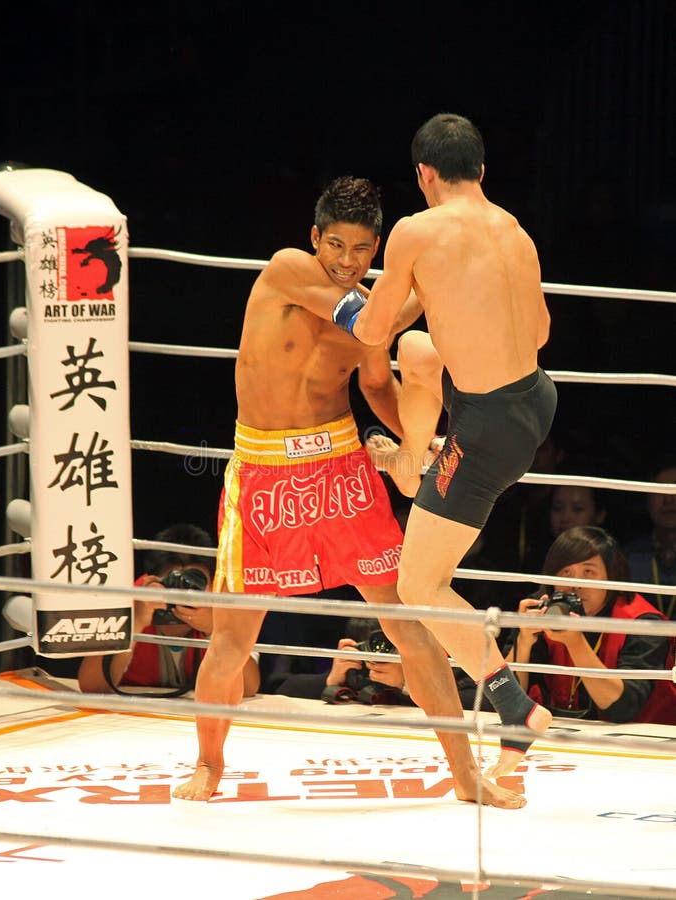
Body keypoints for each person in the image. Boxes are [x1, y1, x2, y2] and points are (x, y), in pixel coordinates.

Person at [172, 175, 524, 808]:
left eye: (362, 250)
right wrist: (428, 290)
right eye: (335, 245)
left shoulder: (370, 301)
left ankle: (467, 775)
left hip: (340, 469)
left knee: (409, 626)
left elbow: (377, 386)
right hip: (264, 475)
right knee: (231, 640)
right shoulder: (287, 272)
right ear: (314, 238)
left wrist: (427, 439)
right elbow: (367, 323)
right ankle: (209, 765)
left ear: (376, 249)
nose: (345, 261)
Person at [330, 113, 558, 777]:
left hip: (487, 430)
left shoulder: (414, 231)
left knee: (419, 583)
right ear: (481, 172)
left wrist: (342, 300)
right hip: (534, 399)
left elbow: (369, 332)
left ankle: (515, 708)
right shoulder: (514, 229)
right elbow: (539, 331)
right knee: (420, 348)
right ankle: (411, 463)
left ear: (424, 174)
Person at [503, 526, 676, 725]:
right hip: (561, 733)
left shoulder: (643, 622)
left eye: (588, 572)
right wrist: (523, 642)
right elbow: (505, 700)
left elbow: (623, 709)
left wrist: (576, 643)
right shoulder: (539, 610)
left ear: (612, 576)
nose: (576, 583)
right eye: (566, 572)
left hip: (646, 739)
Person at [78, 524, 260, 697]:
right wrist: (136, 622)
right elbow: (92, 687)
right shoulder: (130, 601)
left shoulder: (225, 608)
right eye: (172, 582)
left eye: (194, 582)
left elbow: (249, 688)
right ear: (153, 581)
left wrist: (217, 630)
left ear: (213, 585)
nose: (183, 593)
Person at [269, 617, 413, 705]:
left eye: (384, 644)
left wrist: (405, 684)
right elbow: (284, 689)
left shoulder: (419, 675)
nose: (377, 651)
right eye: (369, 644)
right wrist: (331, 679)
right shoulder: (353, 672)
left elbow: (434, 704)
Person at [624, 463, 676, 620]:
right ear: (647, 500)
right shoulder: (627, 555)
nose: (668, 499)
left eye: (675, 489)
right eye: (660, 490)